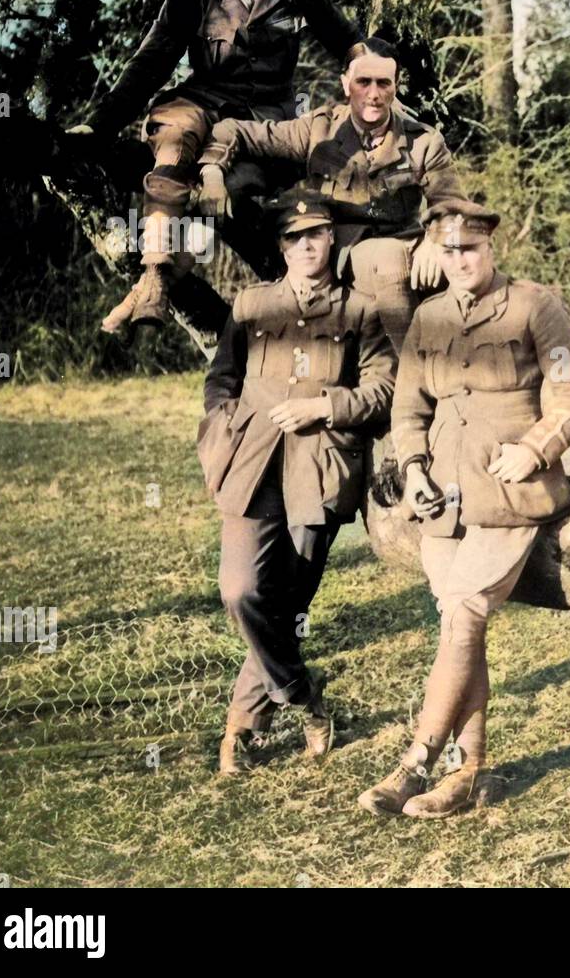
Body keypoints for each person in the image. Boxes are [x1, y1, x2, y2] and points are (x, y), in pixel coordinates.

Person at [357, 198, 570, 819]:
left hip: (509, 492)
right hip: (442, 496)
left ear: (492, 247)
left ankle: (415, 764)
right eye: (449, 249)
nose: (461, 259)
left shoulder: (534, 305)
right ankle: (473, 772)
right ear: (435, 252)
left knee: (463, 613)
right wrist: (410, 471)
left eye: (472, 248)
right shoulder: (429, 316)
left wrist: (536, 449)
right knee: (460, 627)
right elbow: (407, 409)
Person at [69, 0, 362, 332]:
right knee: (175, 138)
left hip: (261, 123)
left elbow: (348, 44)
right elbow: (151, 62)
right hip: (200, 101)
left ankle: (151, 287)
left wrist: (375, 83)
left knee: (232, 191)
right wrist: (99, 126)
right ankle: (154, 269)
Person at [197, 194, 395, 775]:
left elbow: (382, 390)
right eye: (294, 237)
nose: (307, 245)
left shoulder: (361, 311)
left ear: (332, 240)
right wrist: (224, 431)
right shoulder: (253, 305)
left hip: (320, 470)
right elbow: (221, 379)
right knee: (239, 591)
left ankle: (243, 726)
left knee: (285, 604)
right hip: (253, 465)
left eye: (317, 234)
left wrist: (325, 407)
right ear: (282, 247)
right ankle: (305, 694)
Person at [197, 37, 464, 353]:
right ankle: (414, 378)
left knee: (460, 265)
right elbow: (233, 131)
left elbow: (453, 206)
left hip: (407, 245)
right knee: (391, 259)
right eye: (363, 82)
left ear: (395, 86)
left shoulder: (422, 141)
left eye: (384, 83)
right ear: (346, 84)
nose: (374, 94)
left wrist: (440, 240)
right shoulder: (318, 129)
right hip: (343, 252)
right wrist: (212, 171)